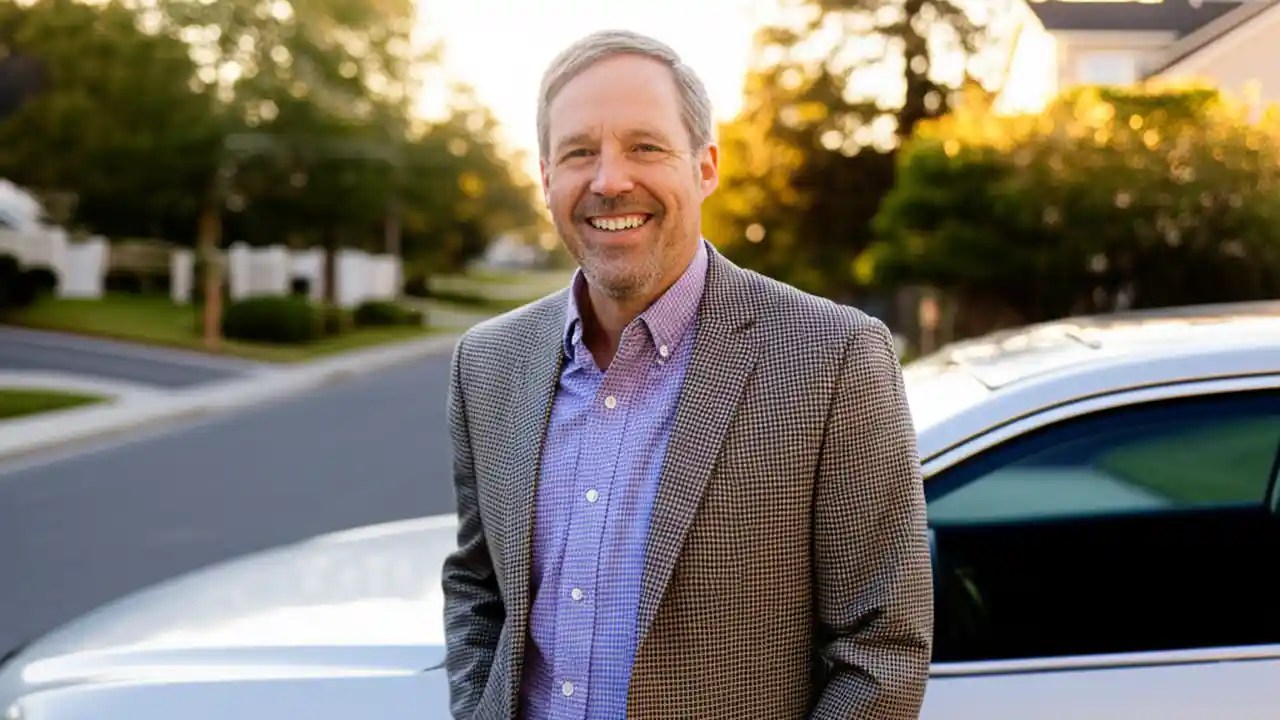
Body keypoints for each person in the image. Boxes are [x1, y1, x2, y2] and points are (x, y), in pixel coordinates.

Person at [441, 28, 933, 720]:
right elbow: (476, 587)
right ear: (547, 178)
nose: (610, 181)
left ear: (705, 167)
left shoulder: (834, 358)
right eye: (580, 152)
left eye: (645, 147)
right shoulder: (488, 363)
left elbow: (882, 647)